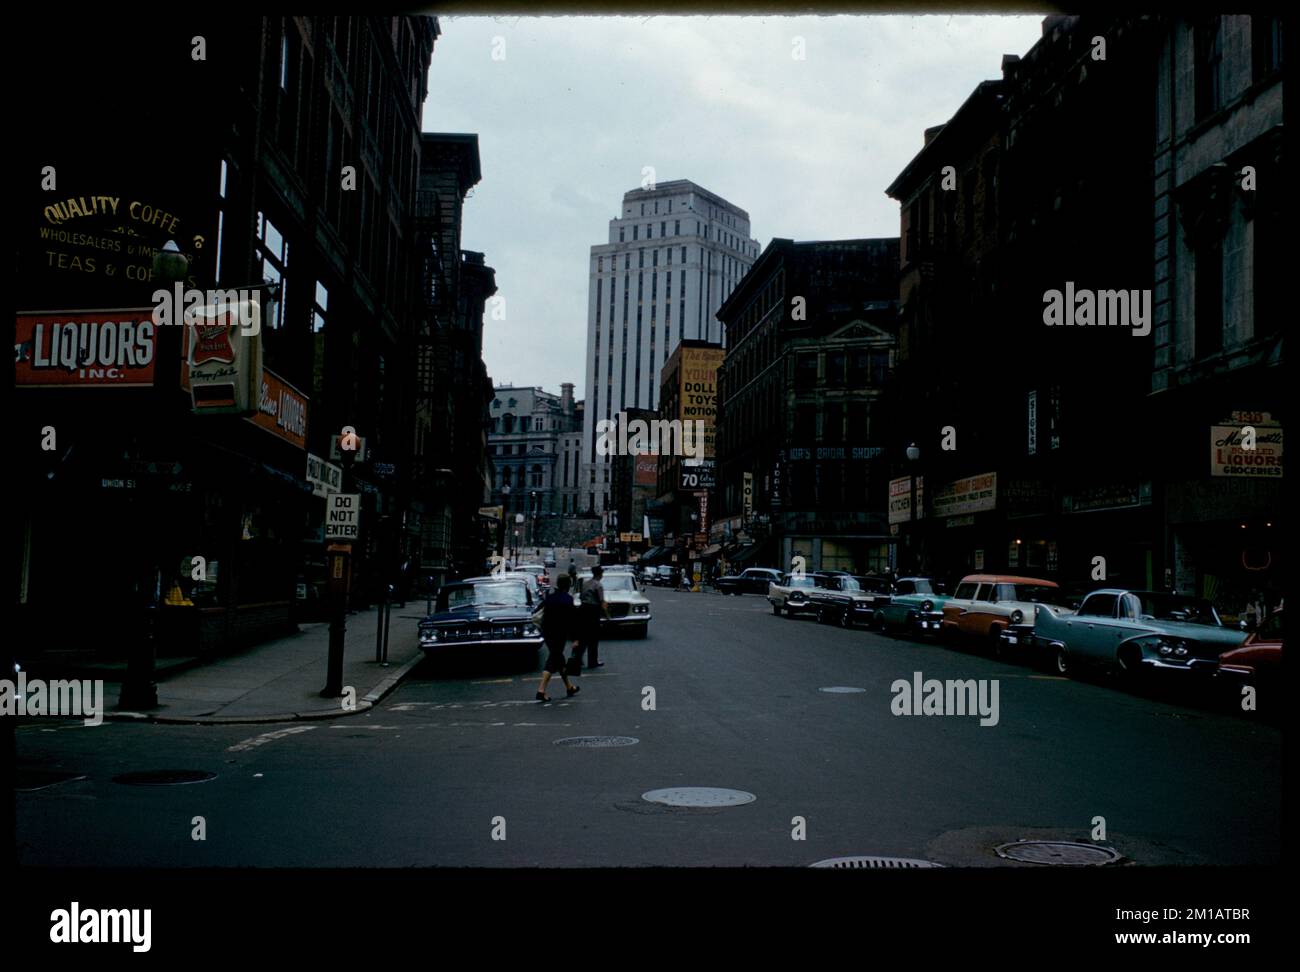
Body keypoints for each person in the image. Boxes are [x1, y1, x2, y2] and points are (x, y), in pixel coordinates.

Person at [536, 574, 580, 703]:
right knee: (553, 659)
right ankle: (541, 690)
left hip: (547, 633)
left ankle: (569, 687)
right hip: (560, 634)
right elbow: (573, 621)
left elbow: (538, 610)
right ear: (568, 585)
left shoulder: (550, 598)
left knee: (558, 659)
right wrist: (575, 638)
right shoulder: (568, 599)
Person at [576, 564, 610, 669]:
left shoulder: (586, 584)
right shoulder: (598, 585)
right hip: (593, 612)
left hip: (583, 610)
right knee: (593, 638)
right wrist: (607, 615)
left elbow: (581, 597)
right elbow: (602, 602)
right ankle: (592, 661)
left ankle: (578, 659)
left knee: (582, 636)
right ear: (600, 574)